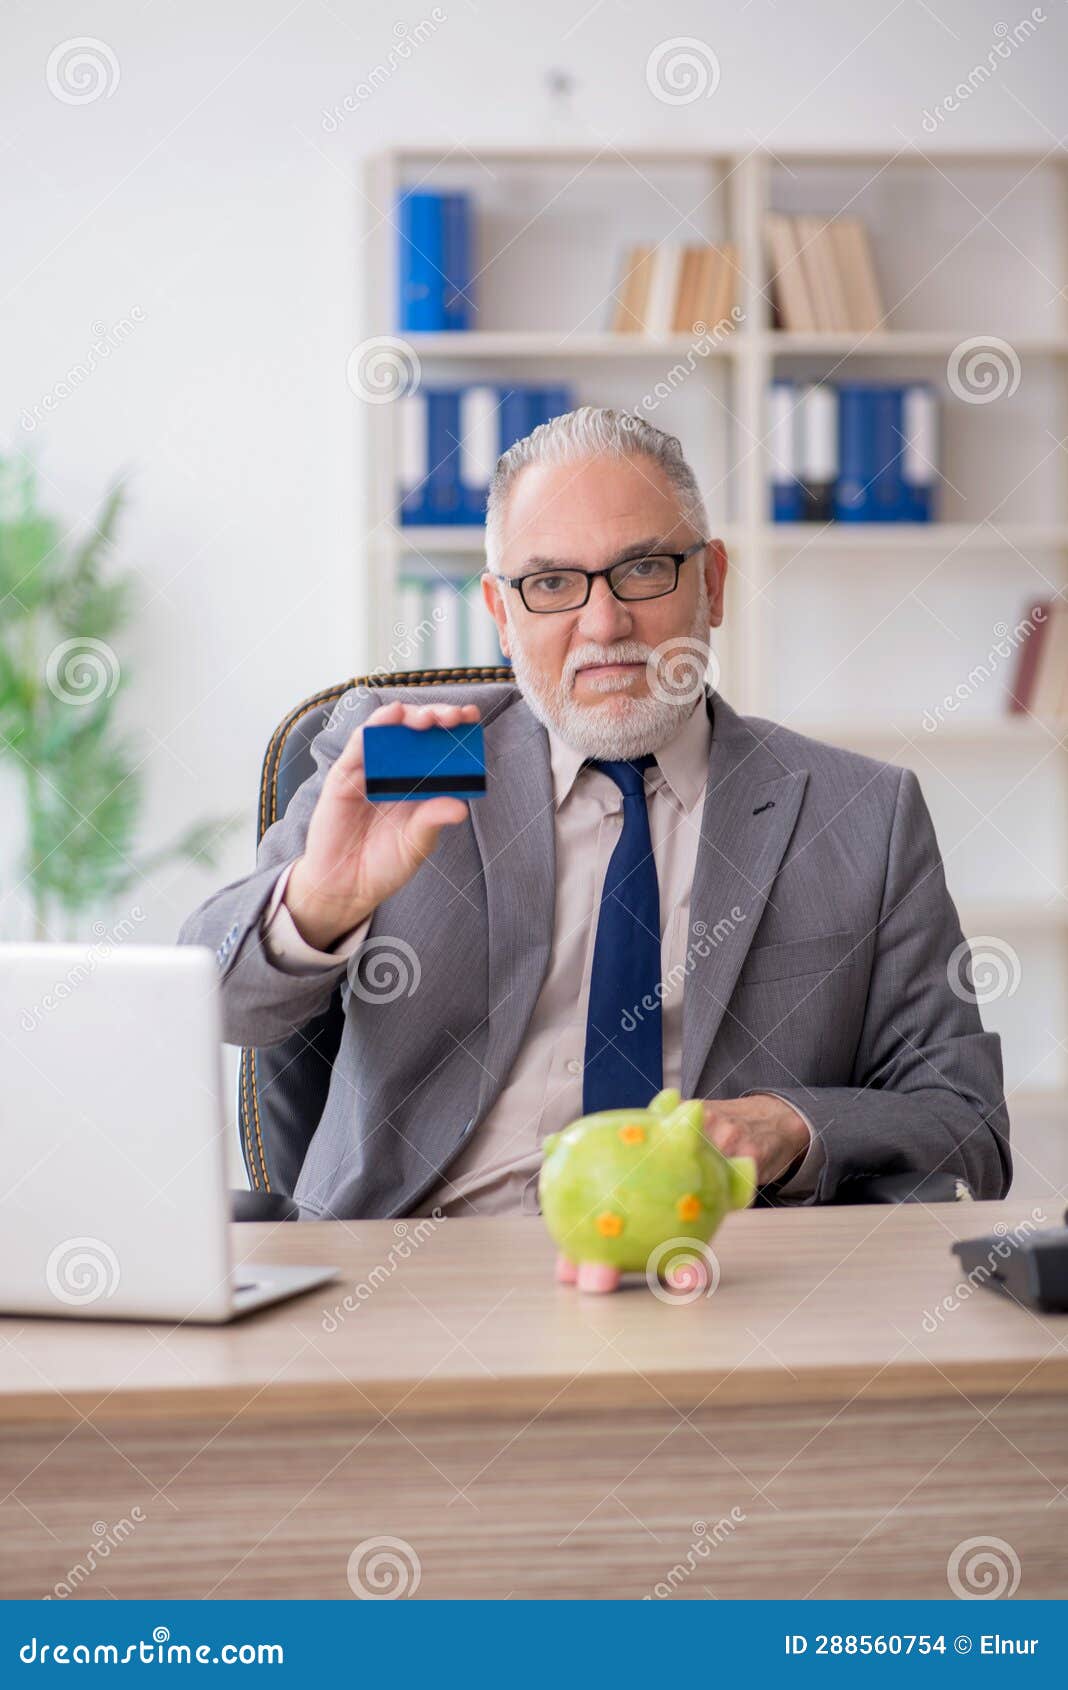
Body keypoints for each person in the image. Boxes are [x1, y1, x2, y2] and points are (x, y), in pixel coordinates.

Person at [179, 407, 1010, 1219]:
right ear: (501, 615)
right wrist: (319, 903)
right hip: (420, 1275)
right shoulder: (404, 758)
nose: (604, 623)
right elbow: (204, 1002)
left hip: (720, 1278)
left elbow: (967, 1126)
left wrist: (790, 1126)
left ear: (712, 583)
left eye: (644, 568)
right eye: (550, 583)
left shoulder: (859, 813)